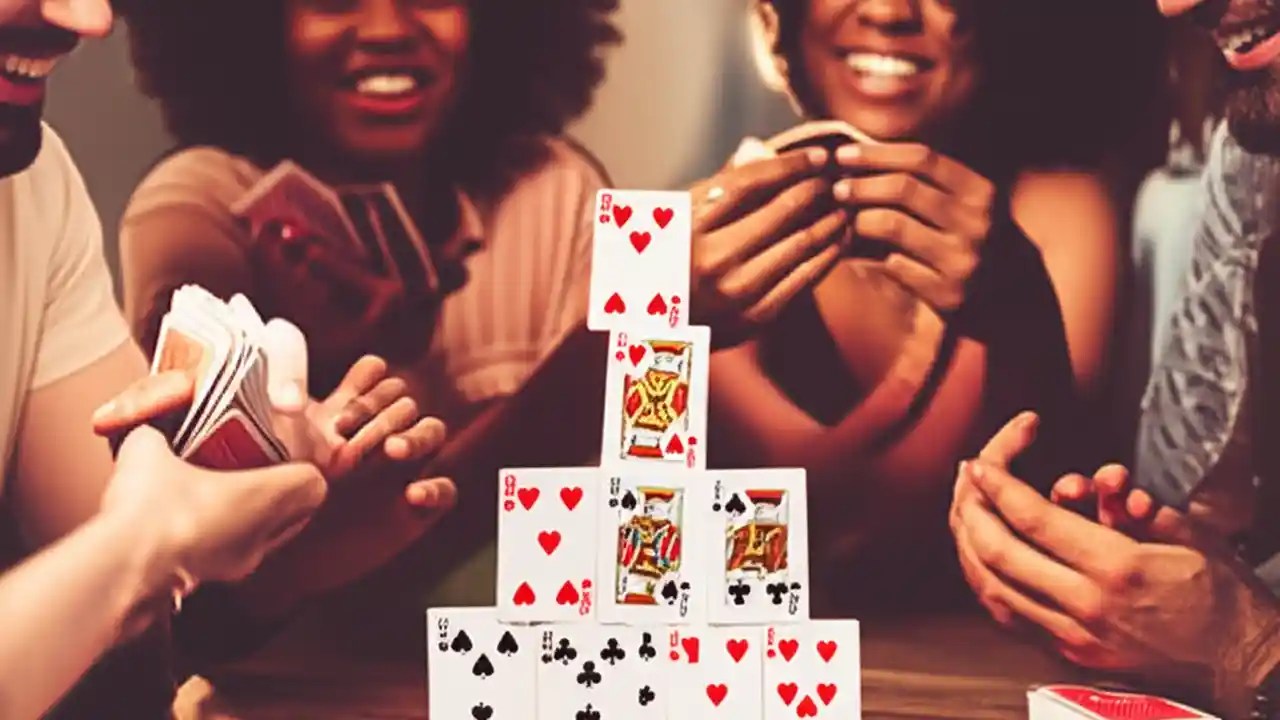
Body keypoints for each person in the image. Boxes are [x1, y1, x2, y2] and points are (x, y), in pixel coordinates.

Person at [113, 0, 858, 644]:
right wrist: (606, 345)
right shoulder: (200, 204)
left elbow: (606, 516)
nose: (386, 29)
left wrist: (640, 335)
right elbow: (230, 581)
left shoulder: (552, 188)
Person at [0, 1, 456, 716]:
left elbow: (121, 625)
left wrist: (284, 550)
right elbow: (128, 557)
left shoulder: (33, 184)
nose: (87, 17)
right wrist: (141, 549)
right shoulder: (187, 200)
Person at [700, 0, 1159, 611]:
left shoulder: (1060, 213)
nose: (889, 11)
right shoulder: (718, 233)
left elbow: (1048, 492)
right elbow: (835, 513)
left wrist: (1011, 299)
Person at [951, 2, 1280, 713]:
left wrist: (1248, 646)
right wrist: (1110, 577)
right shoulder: (1253, 151)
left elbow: (1243, 638)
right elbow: (1190, 516)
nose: (1173, 3)